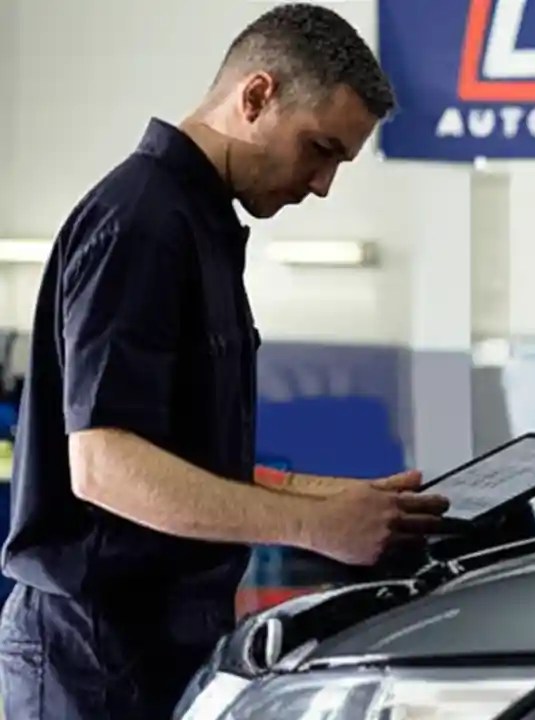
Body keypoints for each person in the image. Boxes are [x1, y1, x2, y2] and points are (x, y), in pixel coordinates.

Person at [0, 4, 449, 718]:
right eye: (320, 148)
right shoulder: (141, 223)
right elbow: (105, 467)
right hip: (97, 653)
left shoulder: (199, 224)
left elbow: (185, 457)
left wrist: (328, 498)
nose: (323, 183)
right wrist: (312, 527)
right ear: (256, 96)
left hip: (158, 641)